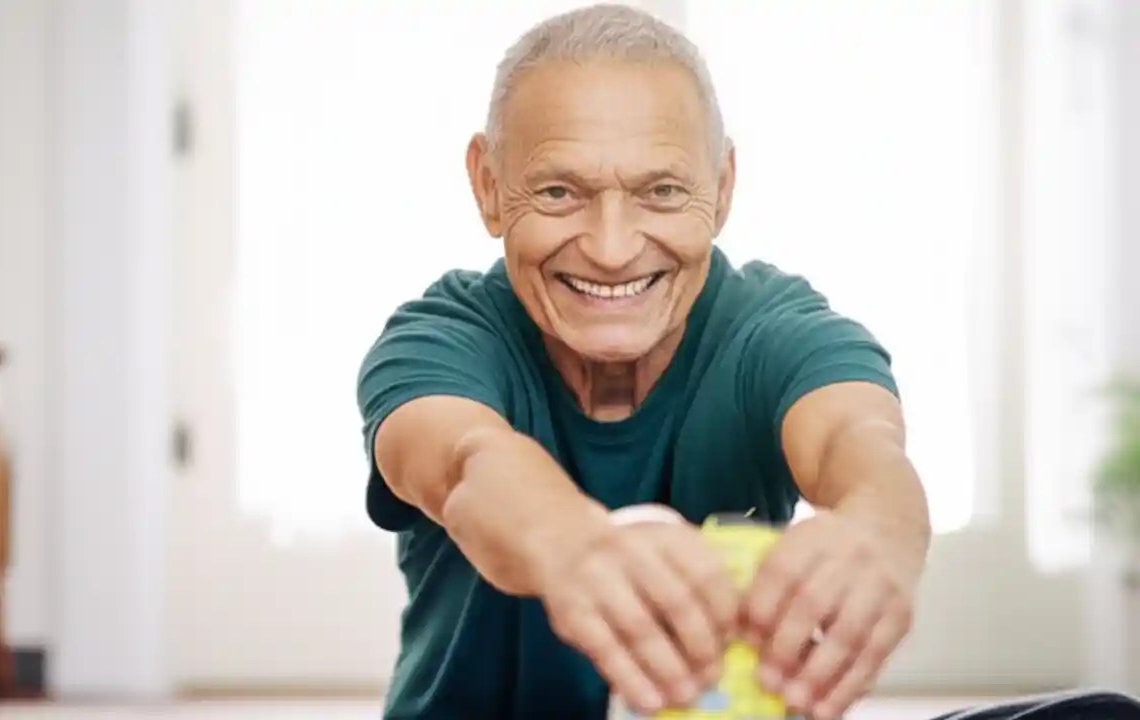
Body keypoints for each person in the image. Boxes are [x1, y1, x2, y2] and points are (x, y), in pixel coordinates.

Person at [354, 5, 1137, 720]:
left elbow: (858, 442)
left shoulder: (775, 331)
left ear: (722, 188)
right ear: (489, 186)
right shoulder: (441, 340)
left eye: (662, 192)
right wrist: (573, 544)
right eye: (560, 192)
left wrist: (879, 532)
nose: (612, 247)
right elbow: (465, 463)